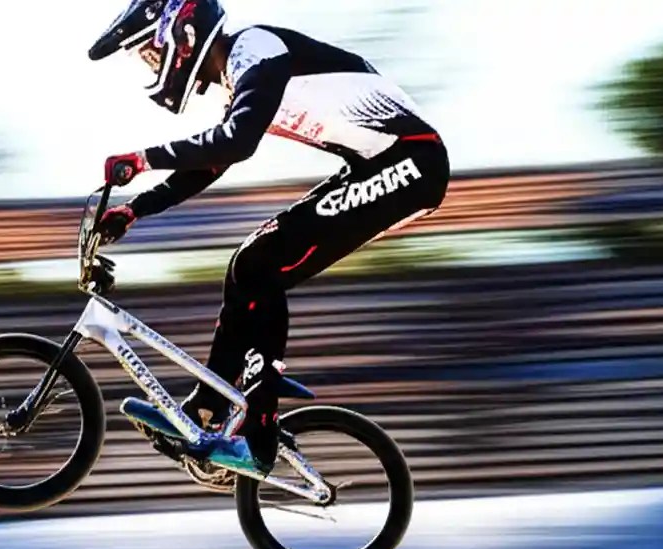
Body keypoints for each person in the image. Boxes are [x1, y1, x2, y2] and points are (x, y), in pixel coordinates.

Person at [89, 0, 450, 478]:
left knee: (262, 266)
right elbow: (212, 162)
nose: (152, 68)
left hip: (410, 163)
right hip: (382, 165)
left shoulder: (255, 48)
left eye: (150, 54)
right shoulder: (242, 74)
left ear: (183, 31)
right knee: (246, 267)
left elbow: (237, 142)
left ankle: (258, 433)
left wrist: (142, 158)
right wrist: (136, 208)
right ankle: (207, 408)